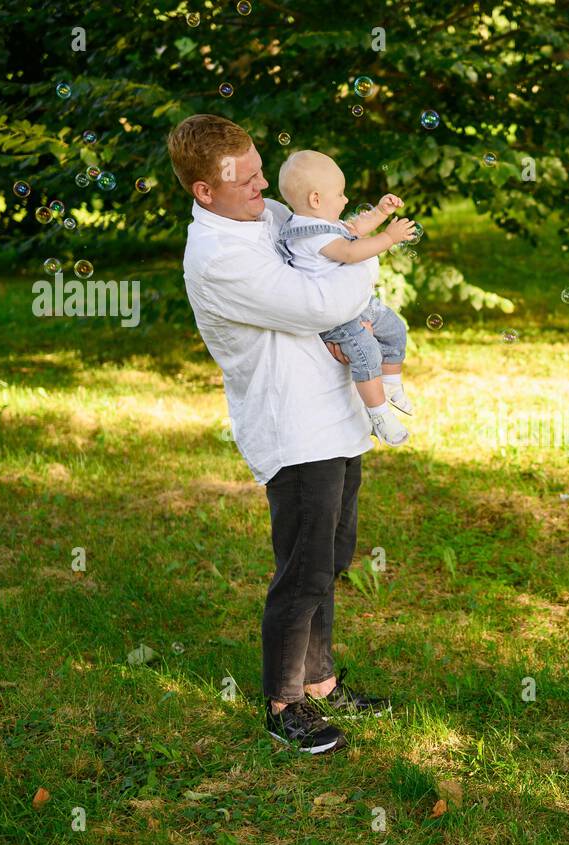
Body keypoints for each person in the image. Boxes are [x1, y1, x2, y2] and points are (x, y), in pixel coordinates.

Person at [168, 114, 391, 757]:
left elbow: (323, 235)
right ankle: (284, 702)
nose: (263, 188)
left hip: (334, 413)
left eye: (262, 169)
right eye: (245, 180)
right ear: (203, 191)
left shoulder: (261, 216)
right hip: (292, 427)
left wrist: (353, 234)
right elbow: (326, 304)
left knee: (333, 556)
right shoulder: (217, 259)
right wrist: (368, 255)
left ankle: (318, 681)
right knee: (301, 569)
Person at [276, 148, 418, 446]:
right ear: (316, 199)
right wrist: (388, 238)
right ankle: (378, 414)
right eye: (340, 194)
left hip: (356, 305)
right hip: (335, 316)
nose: (345, 200)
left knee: (394, 328)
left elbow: (353, 229)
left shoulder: (320, 222)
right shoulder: (311, 235)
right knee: (367, 351)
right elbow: (351, 251)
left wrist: (380, 213)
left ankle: (391, 384)